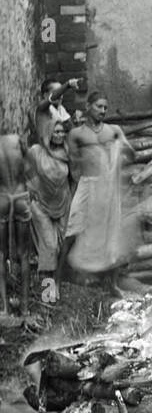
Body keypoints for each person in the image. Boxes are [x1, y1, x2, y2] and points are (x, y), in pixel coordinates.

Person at [66, 92, 134, 278]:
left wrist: (118, 149)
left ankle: (109, 280)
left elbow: (131, 154)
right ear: (88, 106)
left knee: (110, 229)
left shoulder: (113, 131)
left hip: (108, 187)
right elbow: (73, 164)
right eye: (99, 106)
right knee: (74, 226)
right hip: (87, 184)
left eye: (105, 107)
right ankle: (64, 274)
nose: (103, 110)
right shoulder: (76, 134)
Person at [25, 118, 74, 306]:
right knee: (50, 247)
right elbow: (23, 170)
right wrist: (31, 189)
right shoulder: (36, 152)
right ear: (48, 133)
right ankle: (47, 295)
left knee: (61, 247)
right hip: (40, 205)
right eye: (56, 131)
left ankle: (55, 286)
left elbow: (74, 177)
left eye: (62, 132)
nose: (60, 135)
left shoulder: (66, 153)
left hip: (62, 204)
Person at [0, 134, 31, 315]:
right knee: (24, 254)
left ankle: (5, 307)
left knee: (1, 255)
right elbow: (29, 168)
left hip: (2, 199)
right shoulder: (17, 139)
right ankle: (25, 307)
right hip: (20, 196)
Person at [34, 76, 75, 149]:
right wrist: (68, 84)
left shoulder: (61, 109)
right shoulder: (42, 109)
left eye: (62, 93)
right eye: (58, 92)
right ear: (45, 95)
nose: (61, 96)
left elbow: (72, 130)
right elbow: (52, 98)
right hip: (46, 151)